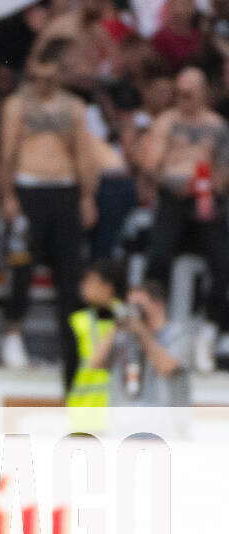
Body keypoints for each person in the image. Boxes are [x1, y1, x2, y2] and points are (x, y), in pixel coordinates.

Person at [0, 39, 96, 384]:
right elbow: (7, 152)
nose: (45, 79)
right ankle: (12, 335)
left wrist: (87, 196)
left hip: (65, 191)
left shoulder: (74, 107)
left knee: (70, 274)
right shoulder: (17, 105)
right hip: (28, 190)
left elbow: (84, 153)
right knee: (22, 267)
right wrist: (8, 195)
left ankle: (72, 344)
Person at [139, 66, 229, 373]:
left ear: (203, 92)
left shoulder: (216, 125)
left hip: (207, 200)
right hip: (173, 197)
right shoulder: (167, 122)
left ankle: (210, 330)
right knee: (158, 257)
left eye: (191, 92)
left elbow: (223, 166)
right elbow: (151, 163)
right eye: (181, 92)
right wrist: (176, 182)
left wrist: (211, 187)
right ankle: (154, 325)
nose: (185, 98)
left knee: (223, 263)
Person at [91, 281, 192, 407]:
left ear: (158, 304)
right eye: (129, 305)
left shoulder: (178, 333)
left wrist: (142, 332)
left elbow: (167, 367)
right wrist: (116, 326)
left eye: (138, 305)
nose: (133, 310)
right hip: (126, 417)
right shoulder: (124, 336)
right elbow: (95, 363)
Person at [67, 260, 123, 407]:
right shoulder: (78, 320)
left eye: (91, 282)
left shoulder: (129, 319)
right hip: (83, 409)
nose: (84, 287)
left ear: (108, 286)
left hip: (119, 410)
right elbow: (70, 367)